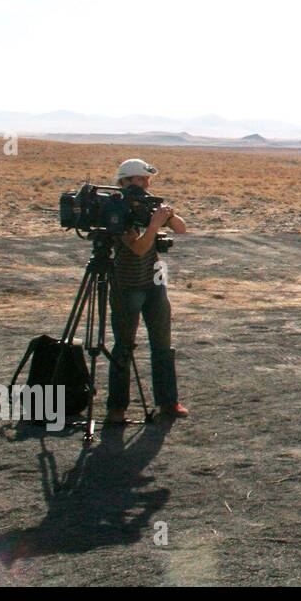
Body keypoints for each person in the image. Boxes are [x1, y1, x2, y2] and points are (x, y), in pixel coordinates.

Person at [106, 158, 189, 423]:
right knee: (124, 346)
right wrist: (154, 224)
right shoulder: (116, 211)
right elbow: (139, 248)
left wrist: (167, 215)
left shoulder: (147, 206)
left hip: (154, 280)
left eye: (146, 180)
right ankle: (117, 408)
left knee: (162, 344)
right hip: (127, 283)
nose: (144, 185)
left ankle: (168, 402)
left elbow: (181, 228)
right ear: (125, 182)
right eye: (139, 179)